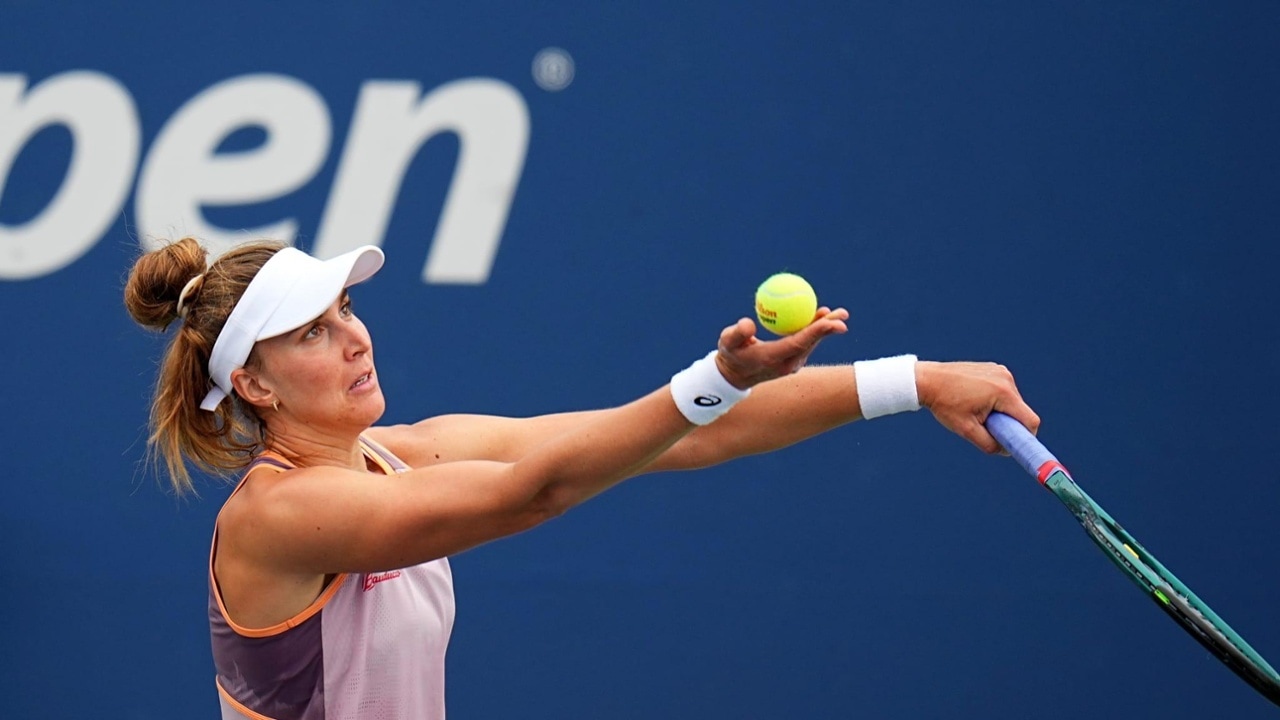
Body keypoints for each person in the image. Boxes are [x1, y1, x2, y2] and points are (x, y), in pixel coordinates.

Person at [124, 238, 1039, 720]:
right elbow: (538, 490)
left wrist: (912, 382)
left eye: (347, 309)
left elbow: (683, 439)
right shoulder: (280, 516)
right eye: (312, 331)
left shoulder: (407, 452)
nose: (356, 336)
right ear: (250, 382)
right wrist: (712, 381)